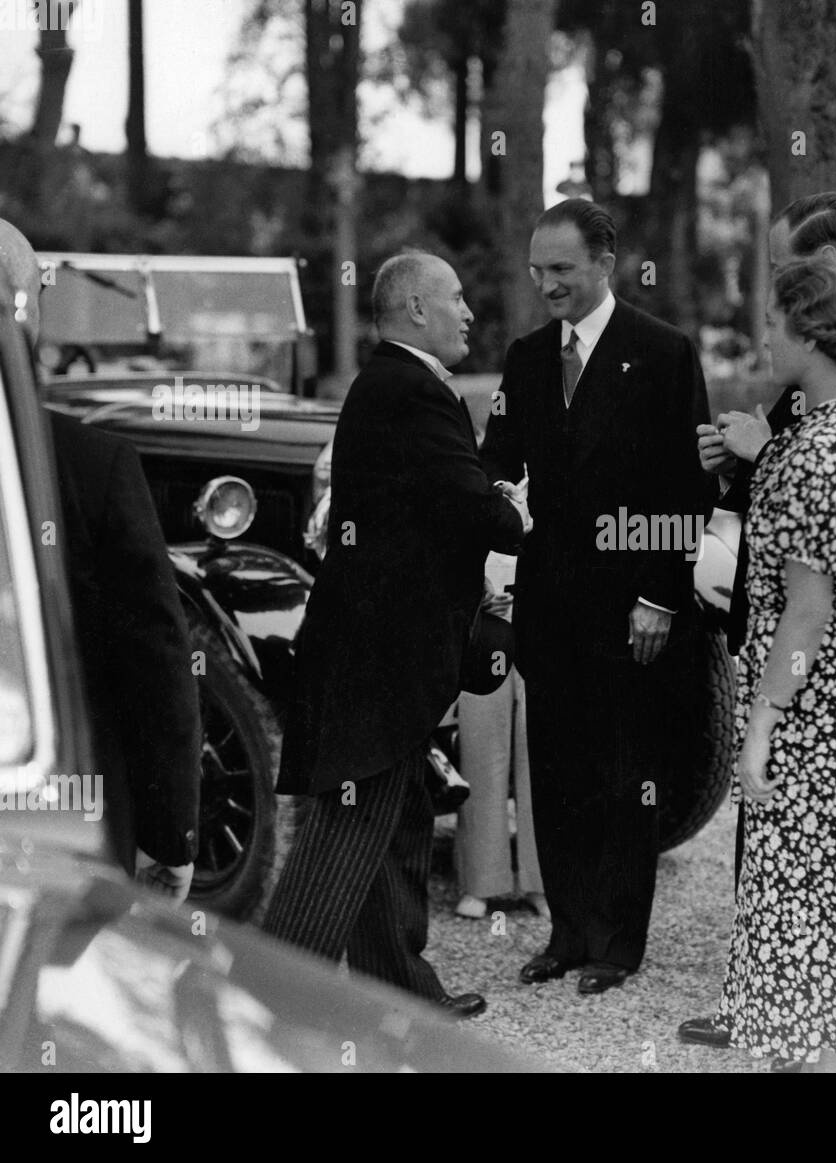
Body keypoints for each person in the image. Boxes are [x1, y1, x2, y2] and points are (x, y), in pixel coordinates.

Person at [265, 251, 526, 1019]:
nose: (469, 312)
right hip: (377, 665)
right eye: (454, 298)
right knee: (349, 833)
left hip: (376, 655)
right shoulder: (411, 390)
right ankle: (266, 1001)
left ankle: (399, 994)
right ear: (416, 309)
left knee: (400, 824)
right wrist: (516, 510)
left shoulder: (391, 384)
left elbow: (426, 512)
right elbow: (472, 510)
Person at [480, 199, 713, 995]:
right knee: (559, 772)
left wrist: (660, 593)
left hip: (631, 606)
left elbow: (687, 483)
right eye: (538, 270)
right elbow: (496, 462)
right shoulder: (527, 357)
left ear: (605, 263)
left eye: (563, 270)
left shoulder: (663, 352)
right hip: (551, 605)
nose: (547, 284)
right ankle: (568, 930)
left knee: (624, 774)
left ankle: (618, 942)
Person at [713, 255, 836, 1073]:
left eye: (772, 320)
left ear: (813, 332)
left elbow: (807, 608)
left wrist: (758, 723)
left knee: (802, 891)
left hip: (812, 697)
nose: (762, 334)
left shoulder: (822, 450)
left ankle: (807, 1058)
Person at [0, 219, 201, 899]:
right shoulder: (95, 466)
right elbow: (154, 658)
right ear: (27, 314)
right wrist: (171, 831)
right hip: (65, 809)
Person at [453, 551, 546, 921]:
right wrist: (474, 594)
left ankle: (542, 881)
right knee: (480, 749)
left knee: (539, 751)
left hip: (543, 625)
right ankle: (480, 881)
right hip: (481, 631)